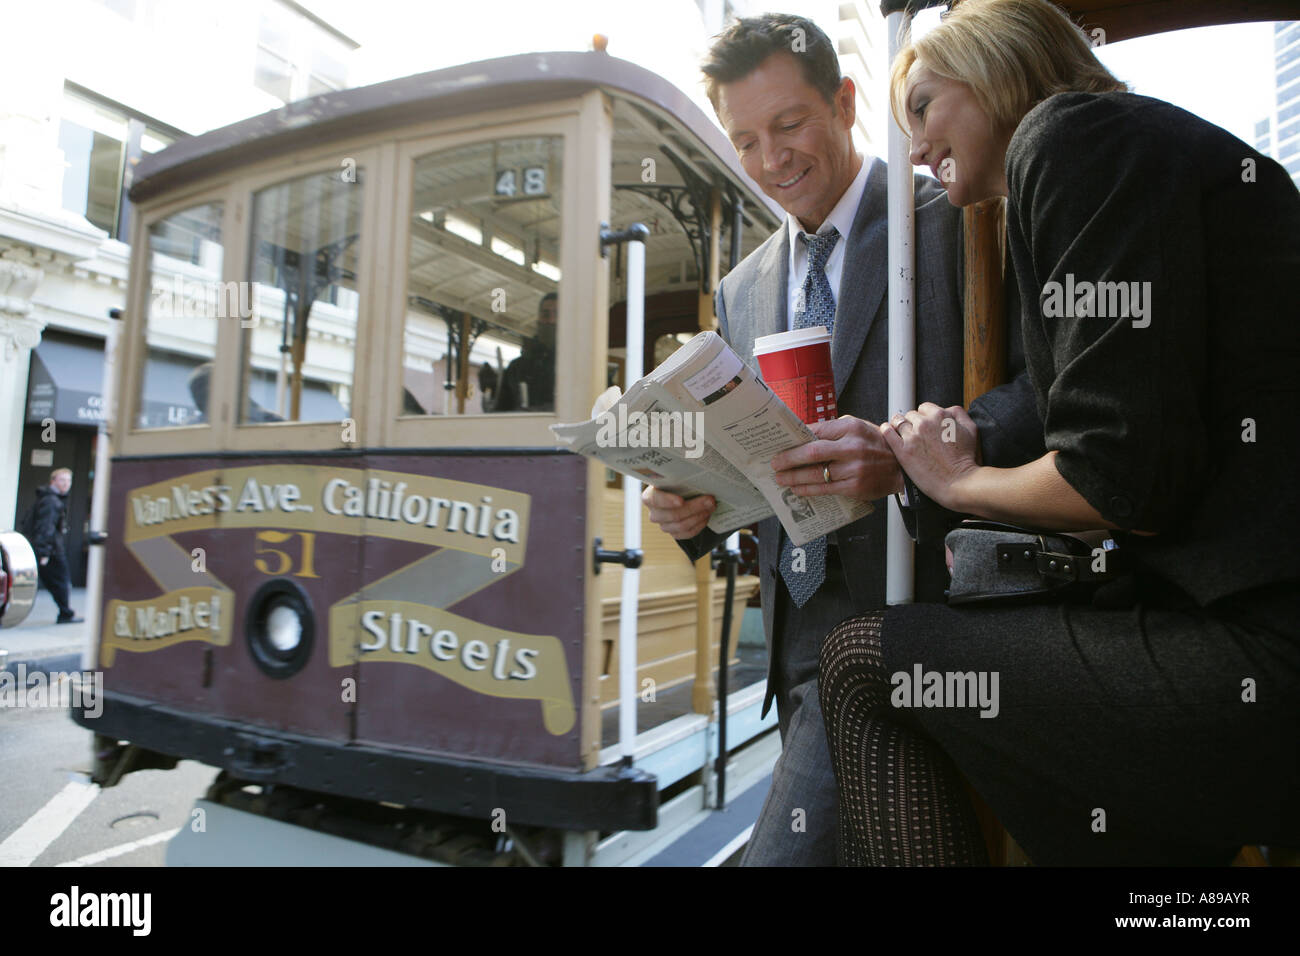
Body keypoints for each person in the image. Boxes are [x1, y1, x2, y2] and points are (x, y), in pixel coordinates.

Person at [819, 0, 1300, 865]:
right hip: (1234, 630)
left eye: (924, 104)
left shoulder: (1070, 137)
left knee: (862, 665)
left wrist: (956, 485)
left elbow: (1120, 482)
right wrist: (929, 443)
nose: (917, 145)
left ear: (998, 64)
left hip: (1264, 650)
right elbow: (1057, 394)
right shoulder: (1131, 147)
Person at [642, 13, 1034, 865]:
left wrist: (913, 454)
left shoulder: (954, 216)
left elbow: (1035, 393)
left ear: (847, 101)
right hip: (796, 639)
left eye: (789, 125)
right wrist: (694, 506)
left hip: (922, 613)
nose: (770, 159)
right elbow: (748, 455)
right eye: (745, 140)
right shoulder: (742, 289)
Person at [27, 468, 81, 624]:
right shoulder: (52, 501)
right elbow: (45, 527)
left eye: (68, 480)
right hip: (50, 550)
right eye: (62, 480)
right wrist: (44, 552)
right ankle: (66, 613)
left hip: (46, 548)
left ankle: (66, 612)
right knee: (61, 582)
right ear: (53, 481)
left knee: (51, 583)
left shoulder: (49, 498)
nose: (66, 484)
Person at [494, 292, 557, 412]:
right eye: (546, 314)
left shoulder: (576, 366)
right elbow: (500, 413)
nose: (551, 320)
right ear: (538, 319)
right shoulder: (517, 368)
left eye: (557, 314)